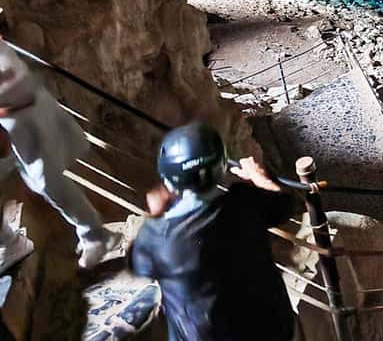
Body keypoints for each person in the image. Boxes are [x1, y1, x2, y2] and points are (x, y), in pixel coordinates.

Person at [128, 122, 296, 341]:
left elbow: (138, 264)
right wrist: (260, 177)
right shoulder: (245, 201)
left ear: (168, 180)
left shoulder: (157, 236)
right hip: (273, 330)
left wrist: (155, 216)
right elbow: (284, 205)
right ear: (221, 166)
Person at [0, 41, 118, 268]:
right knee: (42, 182)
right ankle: (11, 242)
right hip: (19, 116)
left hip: (26, 117)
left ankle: (97, 236)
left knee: (50, 184)